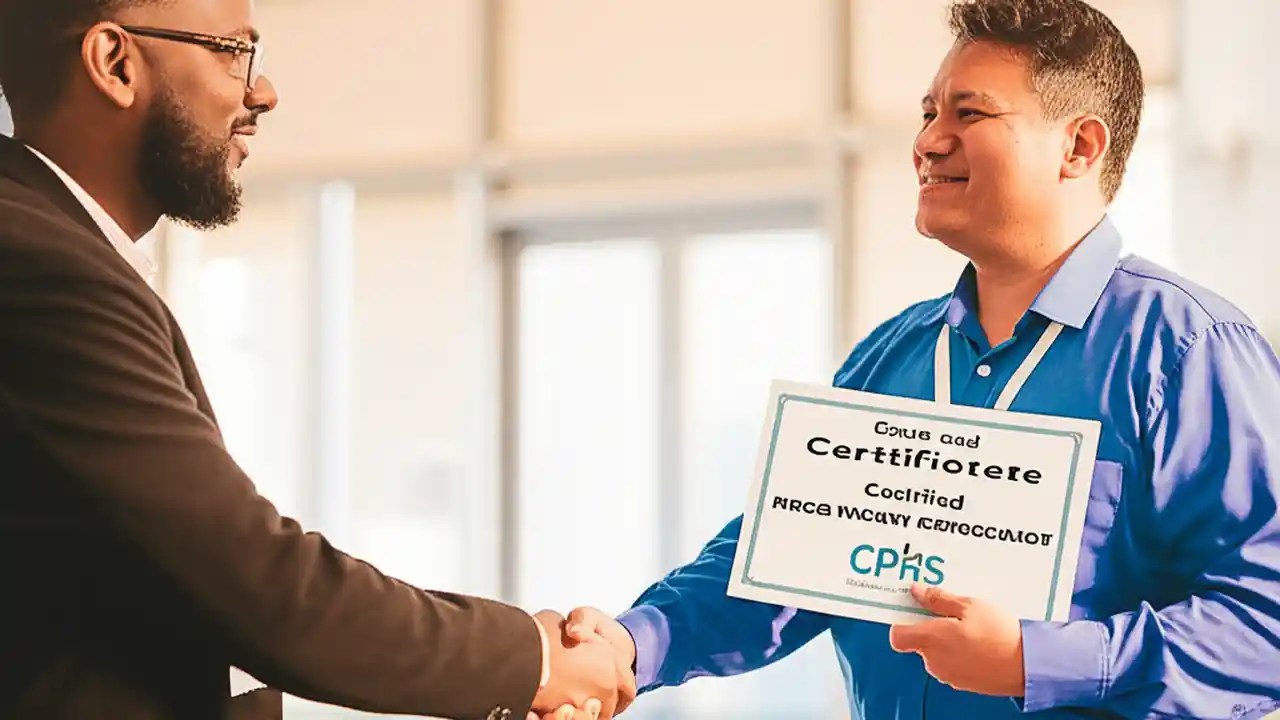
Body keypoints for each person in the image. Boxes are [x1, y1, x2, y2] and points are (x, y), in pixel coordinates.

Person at [561, 0, 1280, 718]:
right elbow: (782, 559)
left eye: (970, 114)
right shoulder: (890, 358)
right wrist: (630, 644)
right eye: (929, 113)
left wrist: (1037, 660)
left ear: (1079, 147)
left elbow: (1265, 627)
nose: (929, 142)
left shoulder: (1187, 352)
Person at [0, 1, 633, 719]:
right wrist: (534, 661)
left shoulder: (59, 252)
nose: (264, 93)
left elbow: (148, 606)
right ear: (115, 64)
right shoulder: (40, 264)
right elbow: (254, 581)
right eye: (232, 52)